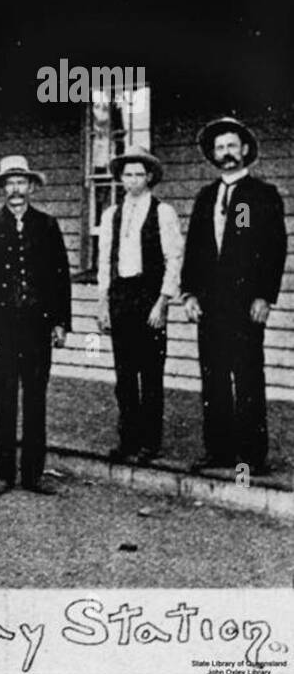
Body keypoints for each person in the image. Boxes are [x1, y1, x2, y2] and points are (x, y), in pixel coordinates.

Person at [180, 117, 286, 475]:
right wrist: (189, 293)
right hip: (210, 305)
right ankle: (219, 450)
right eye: (220, 147)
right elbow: (194, 249)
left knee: (247, 376)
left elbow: (273, 251)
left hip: (244, 305)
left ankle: (252, 456)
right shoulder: (206, 197)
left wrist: (264, 296)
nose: (226, 153)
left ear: (244, 151)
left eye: (232, 146)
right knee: (213, 377)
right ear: (213, 153)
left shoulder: (259, 196)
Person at [0, 155, 71, 496]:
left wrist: (60, 323)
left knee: (36, 399)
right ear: (1, 189)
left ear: (30, 187)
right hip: (1, 328)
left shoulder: (47, 225)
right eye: (9, 183)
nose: (15, 190)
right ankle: (2, 473)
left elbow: (60, 278)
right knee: (3, 399)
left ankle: (33, 474)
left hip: (37, 327)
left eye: (21, 183)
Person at [96, 146, 184, 464]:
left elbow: (174, 259)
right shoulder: (111, 215)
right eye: (127, 174)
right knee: (124, 374)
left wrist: (162, 303)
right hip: (121, 299)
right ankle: (128, 440)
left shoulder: (163, 212)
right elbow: (105, 261)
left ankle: (150, 442)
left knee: (150, 373)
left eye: (138, 174)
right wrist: (103, 303)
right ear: (120, 179)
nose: (133, 180)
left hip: (149, 299)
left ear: (149, 177)